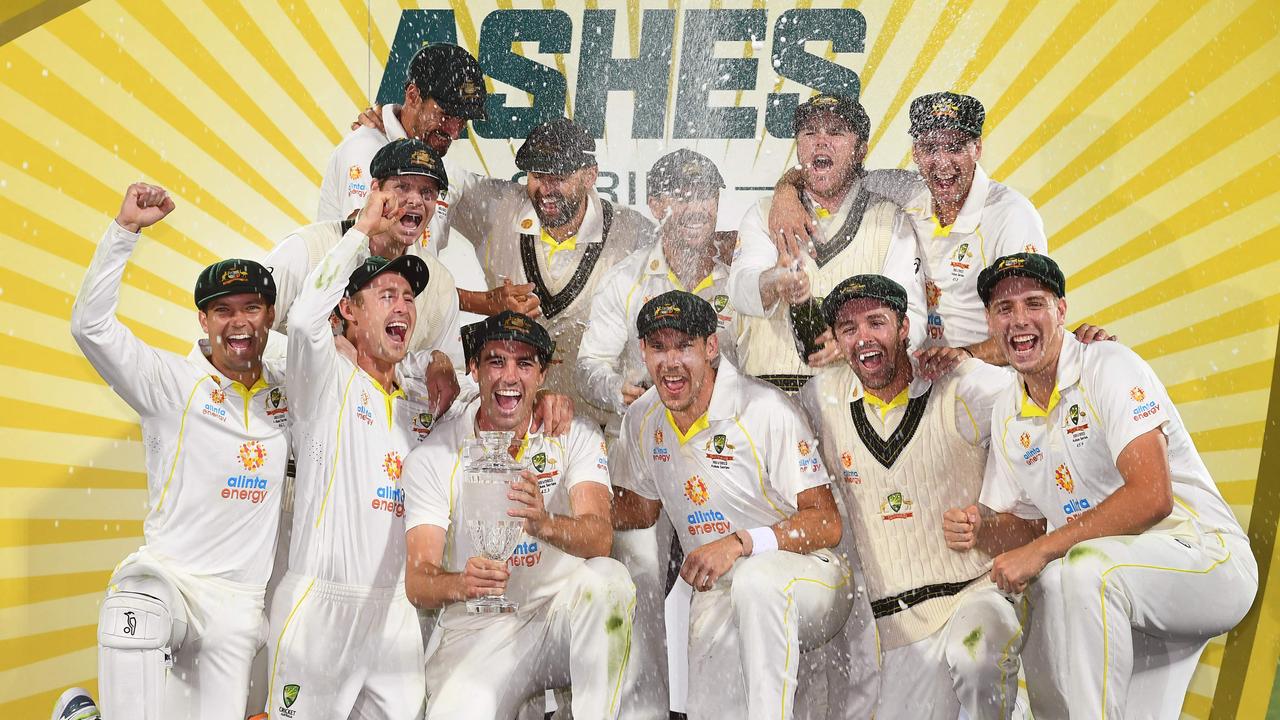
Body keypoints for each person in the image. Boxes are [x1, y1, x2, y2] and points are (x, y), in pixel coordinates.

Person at [966, 253, 1257, 720]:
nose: (1019, 319)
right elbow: (1025, 526)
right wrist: (981, 528)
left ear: (1062, 311)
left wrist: (1041, 550)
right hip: (1118, 592)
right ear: (990, 322)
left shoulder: (1109, 366)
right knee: (1058, 581)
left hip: (1204, 557)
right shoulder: (1007, 411)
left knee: (1075, 569)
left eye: (1034, 303)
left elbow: (1152, 497)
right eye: (1004, 308)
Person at [64, 183, 289, 720]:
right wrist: (125, 232)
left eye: (251, 308)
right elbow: (89, 327)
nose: (239, 322)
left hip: (238, 606)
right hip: (170, 581)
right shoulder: (168, 382)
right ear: (203, 322)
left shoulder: (292, 391)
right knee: (130, 609)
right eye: (223, 311)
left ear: (270, 315)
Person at [612, 290, 850, 720]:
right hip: (719, 589)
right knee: (711, 708)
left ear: (710, 347)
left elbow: (827, 524)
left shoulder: (763, 410)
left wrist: (742, 543)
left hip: (812, 574)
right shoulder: (642, 418)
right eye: (658, 347)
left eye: (684, 345)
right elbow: (640, 509)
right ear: (643, 352)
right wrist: (557, 503)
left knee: (756, 581)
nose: (670, 362)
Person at [799, 274, 1026, 720]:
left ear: (905, 327)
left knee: (977, 657)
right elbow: (761, 425)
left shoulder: (958, 382)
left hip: (975, 593)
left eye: (876, 322)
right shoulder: (822, 399)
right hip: (898, 626)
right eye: (849, 329)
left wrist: (1075, 342)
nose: (863, 337)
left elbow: (1031, 384)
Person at [575, 149, 746, 717]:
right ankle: (647, 709)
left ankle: (714, 704)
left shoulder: (737, 280)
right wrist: (615, 390)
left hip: (723, 462)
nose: (696, 208)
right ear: (655, 204)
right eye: (682, 195)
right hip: (645, 458)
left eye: (706, 194)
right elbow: (589, 364)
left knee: (726, 587)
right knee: (643, 583)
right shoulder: (627, 280)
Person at [401, 310, 635, 718]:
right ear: (473, 368)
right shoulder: (436, 455)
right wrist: (461, 584)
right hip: (480, 630)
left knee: (610, 581)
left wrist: (544, 523)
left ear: (542, 375)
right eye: (496, 361)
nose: (510, 377)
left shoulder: (573, 435)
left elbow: (600, 538)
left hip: (559, 617)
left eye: (524, 363)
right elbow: (419, 580)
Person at [265, 191, 439, 718]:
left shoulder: (420, 402)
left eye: (409, 297)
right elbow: (300, 323)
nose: (402, 307)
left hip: (394, 617)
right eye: (386, 295)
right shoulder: (325, 379)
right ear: (348, 309)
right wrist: (358, 235)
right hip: (320, 607)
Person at [448, 116, 657, 426]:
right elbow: (433, 175)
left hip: (601, 425)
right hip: (519, 422)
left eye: (558, 176)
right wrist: (389, 125)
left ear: (590, 176)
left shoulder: (633, 232)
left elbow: (685, 254)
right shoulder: (499, 208)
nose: (545, 188)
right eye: (536, 174)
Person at [727, 94, 927, 394]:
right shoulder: (764, 212)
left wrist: (858, 339)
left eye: (835, 132)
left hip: (851, 405)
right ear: (798, 146)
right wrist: (775, 282)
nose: (821, 142)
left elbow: (913, 318)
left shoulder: (890, 219)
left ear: (860, 150)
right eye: (809, 132)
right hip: (766, 400)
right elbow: (741, 290)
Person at [269, 138, 465, 379]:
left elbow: (450, 379)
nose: (415, 200)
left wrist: (436, 363)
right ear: (375, 189)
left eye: (427, 192)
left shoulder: (440, 286)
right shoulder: (307, 248)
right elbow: (247, 333)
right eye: (402, 187)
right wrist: (321, 354)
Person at [317, 42, 485, 238]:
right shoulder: (365, 149)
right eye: (446, 115)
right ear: (413, 96)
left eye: (463, 120)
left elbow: (504, 201)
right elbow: (369, 241)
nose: (455, 132)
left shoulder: (436, 161)